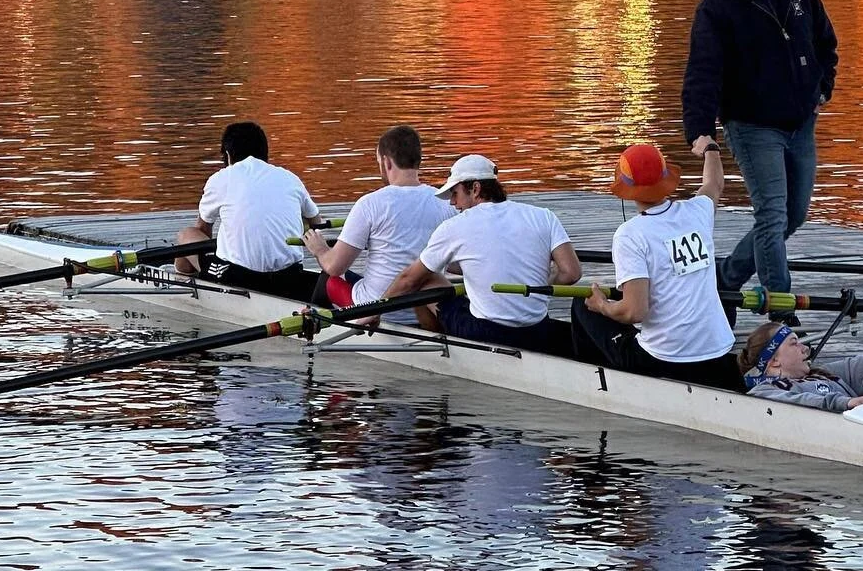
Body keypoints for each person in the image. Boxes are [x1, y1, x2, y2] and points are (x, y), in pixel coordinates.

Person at [681, 0, 838, 323]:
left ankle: (727, 276)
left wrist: (823, 87)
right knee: (771, 213)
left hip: (801, 120)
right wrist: (699, 131)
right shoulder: (717, 6)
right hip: (751, 125)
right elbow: (702, 72)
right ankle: (779, 313)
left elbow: (825, 41)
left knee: (795, 214)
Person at [570, 139, 743, 390]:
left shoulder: (630, 235)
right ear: (665, 180)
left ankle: (589, 384)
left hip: (664, 360)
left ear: (626, 188)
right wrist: (711, 149)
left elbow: (634, 312)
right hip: (717, 349)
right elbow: (714, 184)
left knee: (582, 305)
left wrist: (603, 305)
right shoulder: (697, 212)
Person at [384, 154, 582, 356]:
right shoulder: (543, 216)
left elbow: (408, 280)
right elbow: (571, 273)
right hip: (538, 330)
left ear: (475, 189)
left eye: (455, 193)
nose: (453, 203)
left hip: (486, 333)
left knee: (424, 279)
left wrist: (374, 312)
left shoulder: (454, 226)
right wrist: (535, 288)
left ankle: (440, 352)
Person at [300, 124, 455, 320]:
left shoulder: (370, 204)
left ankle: (315, 330)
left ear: (386, 162)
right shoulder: (446, 203)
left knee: (328, 278)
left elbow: (334, 266)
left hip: (377, 312)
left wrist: (319, 249)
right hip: (427, 311)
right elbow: (452, 265)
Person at [176, 121, 322, 300]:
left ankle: (182, 277)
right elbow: (317, 223)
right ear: (265, 153)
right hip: (291, 277)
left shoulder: (221, 178)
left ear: (228, 155)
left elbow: (203, 231)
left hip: (239, 279)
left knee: (186, 235)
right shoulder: (290, 178)